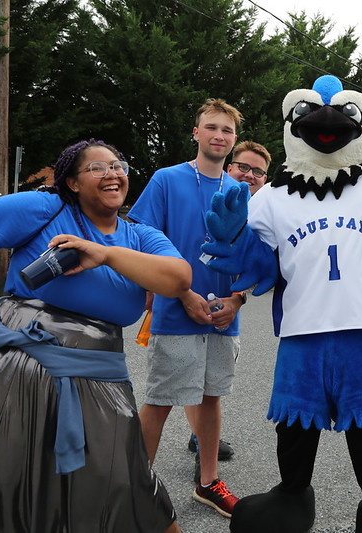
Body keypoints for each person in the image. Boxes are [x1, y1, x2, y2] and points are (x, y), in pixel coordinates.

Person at [0, 139, 191, 533]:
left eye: (118, 165)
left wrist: (104, 254)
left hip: (98, 373)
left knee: (123, 477)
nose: (113, 173)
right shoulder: (46, 208)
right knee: (5, 479)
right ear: (72, 182)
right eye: (98, 168)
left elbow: (178, 278)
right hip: (11, 375)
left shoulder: (140, 236)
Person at [128, 98, 247, 518]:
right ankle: (136, 486)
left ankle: (208, 482)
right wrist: (181, 293)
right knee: (160, 399)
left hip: (223, 315)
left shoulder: (239, 192)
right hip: (176, 311)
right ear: (196, 133)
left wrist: (237, 300)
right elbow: (141, 235)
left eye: (227, 131)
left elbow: (255, 256)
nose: (219, 135)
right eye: (211, 128)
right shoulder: (166, 179)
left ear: (234, 140)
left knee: (211, 398)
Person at [185, 139, 271, 459]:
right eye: (244, 167)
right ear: (230, 167)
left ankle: (201, 437)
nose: (250, 175)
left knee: (213, 387)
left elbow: (258, 270)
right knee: (188, 380)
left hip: (225, 311)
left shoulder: (263, 217)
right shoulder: (204, 198)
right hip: (185, 304)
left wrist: (237, 301)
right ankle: (201, 440)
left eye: (259, 172)